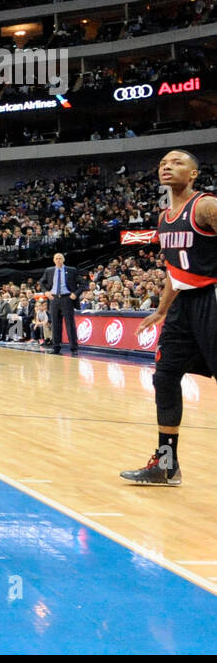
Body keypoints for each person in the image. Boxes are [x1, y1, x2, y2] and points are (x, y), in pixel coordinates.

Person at [122, 150, 217, 485]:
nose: (167, 167)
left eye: (177, 163)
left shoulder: (206, 206)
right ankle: (166, 465)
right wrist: (162, 309)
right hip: (182, 307)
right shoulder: (165, 218)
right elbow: (175, 271)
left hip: (211, 296)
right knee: (164, 377)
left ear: (193, 174)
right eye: (163, 163)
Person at [38, 252, 81, 354]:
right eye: (56, 258)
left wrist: (75, 293)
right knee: (55, 324)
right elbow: (41, 282)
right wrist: (46, 292)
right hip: (54, 299)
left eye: (60, 258)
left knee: (70, 324)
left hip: (67, 298)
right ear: (53, 260)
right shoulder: (49, 270)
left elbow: (84, 283)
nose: (58, 260)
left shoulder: (72, 270)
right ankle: (56, 347)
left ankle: (74, 348)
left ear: (63, 260)